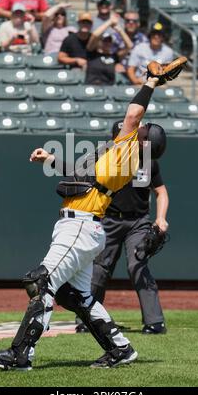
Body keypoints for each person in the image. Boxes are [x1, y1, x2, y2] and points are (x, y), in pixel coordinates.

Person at [0, 59, 178, 371]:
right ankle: (120, 348)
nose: (137, 126)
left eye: (143, 129)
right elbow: (82, 175)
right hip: (82, 226)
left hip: (80, 225)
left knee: (43, 281)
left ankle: (21, 354)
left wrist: (151, 81)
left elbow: (133, 112)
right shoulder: (119, 154)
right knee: (76, 297)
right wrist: (50, 158)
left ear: (145, 141)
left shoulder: (130, 151)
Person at [76, 120, 169, 334]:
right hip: (108, 219)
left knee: (138, 265)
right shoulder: (107, 155)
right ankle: (86, 319)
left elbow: (161, 192)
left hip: (138, 221)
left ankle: (155, 322)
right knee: (99, 269)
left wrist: (161, 218)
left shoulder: (148, 161)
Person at [85, 14, 133, 84]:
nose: (107, 43)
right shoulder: (91, 53)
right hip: (91, 88)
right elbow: (95, 35)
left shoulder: (114, 56)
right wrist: (110, 22)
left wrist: (119, 30)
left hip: (109, 90)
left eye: (109, 41)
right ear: (99, 42)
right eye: (104, 41)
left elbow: (129, 46)